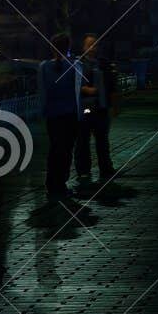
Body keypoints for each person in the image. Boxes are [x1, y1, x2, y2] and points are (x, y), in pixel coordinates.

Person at [37, 33, 82, 204]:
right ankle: (61, 184)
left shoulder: (43, 67)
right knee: (66, 150)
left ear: (52, 47)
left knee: (54, 149)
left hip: (52, 115)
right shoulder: (75, 65)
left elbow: (42, 93)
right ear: (68, 47)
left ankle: (51, 183)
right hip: (70, 115)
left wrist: (43, 113)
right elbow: (77, 93)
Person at [74, 34, 116, 189]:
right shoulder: (79, 64)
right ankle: (83, 170)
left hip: (101, 107)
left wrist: (113, 104)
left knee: (102, 140)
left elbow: (111, 84)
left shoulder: (103, 63)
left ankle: (106, 168)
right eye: (89, 45)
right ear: (83, 47)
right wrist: (86, 89)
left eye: (95, 44)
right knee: (83, 140)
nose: (92, 48)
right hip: (85, 107)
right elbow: (74, 84)